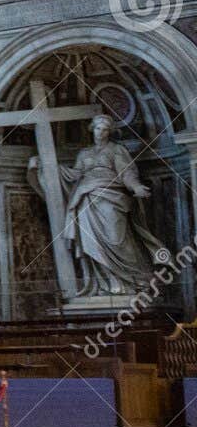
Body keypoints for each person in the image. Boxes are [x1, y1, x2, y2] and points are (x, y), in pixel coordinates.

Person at [57, 114, 165, 297]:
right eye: (98, 128)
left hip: (111, 197)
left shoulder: (116, 150)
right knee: (92, 243)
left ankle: (134, 280)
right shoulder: (84, 153)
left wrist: (136, 186)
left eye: (105, 129)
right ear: (93, 129)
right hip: (86, 199)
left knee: (117, 239)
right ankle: (106, 284)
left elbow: (127, 173)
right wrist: (52, 167)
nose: (101, 132)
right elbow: (75, 174)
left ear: (110, 132)